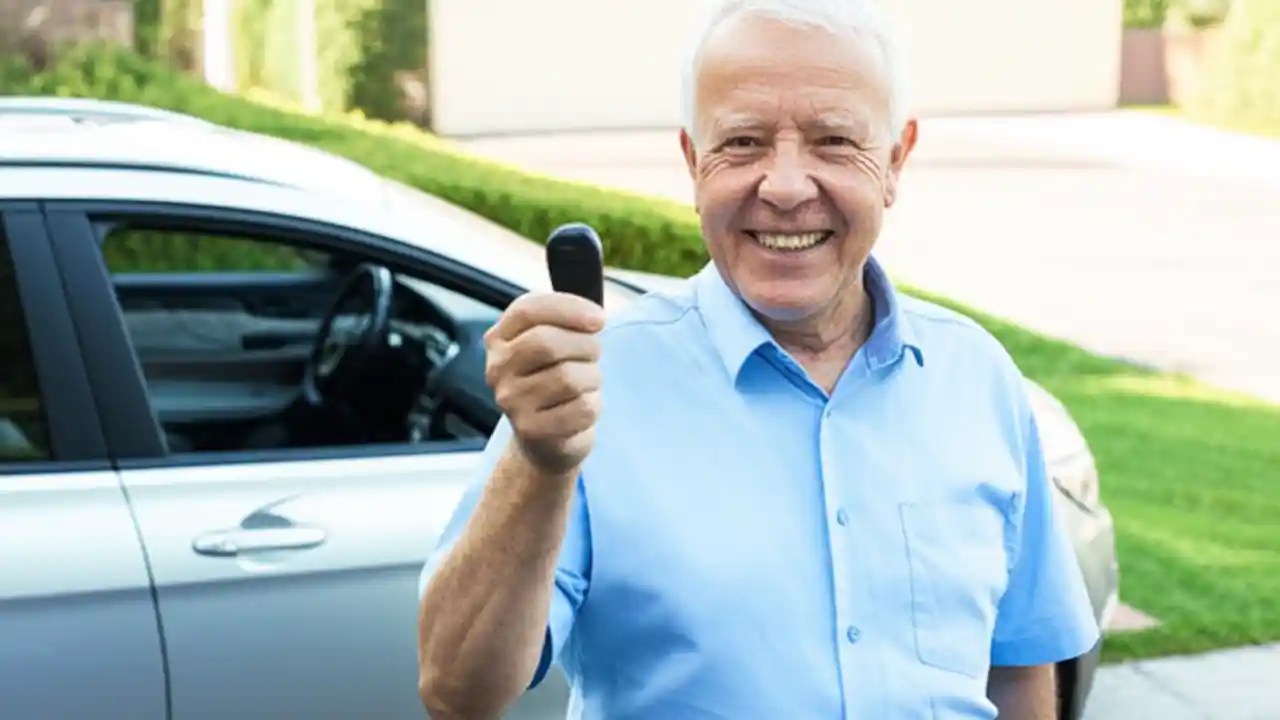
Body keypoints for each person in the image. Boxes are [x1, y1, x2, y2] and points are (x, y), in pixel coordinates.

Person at [415, 0, 1100, 717]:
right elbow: (458, 688)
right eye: (742, 142)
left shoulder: (975, 379)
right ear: (692, 160)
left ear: (896, 160)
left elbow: (1020, 663)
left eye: (834, 140)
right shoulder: (591, 387)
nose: (784, 186)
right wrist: (539, 463)